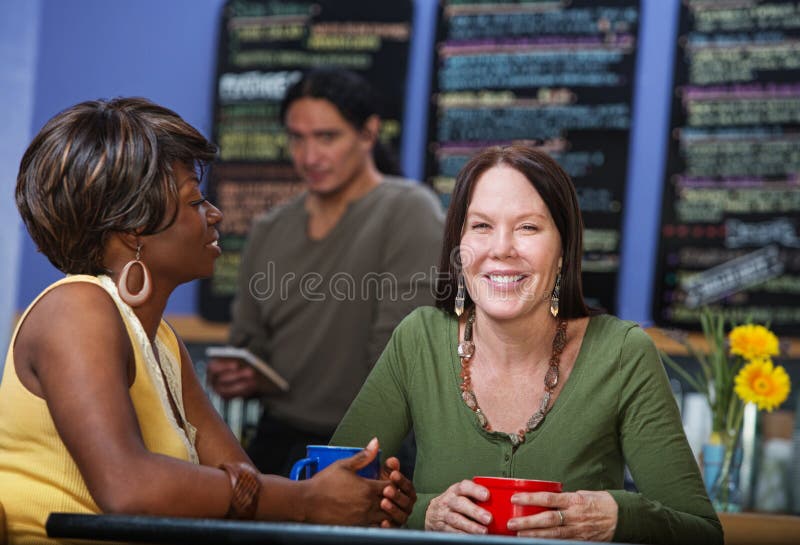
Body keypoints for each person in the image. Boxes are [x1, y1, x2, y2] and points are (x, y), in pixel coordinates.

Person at [0, 98, 415, 544]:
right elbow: (128, 486)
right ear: (132, 227)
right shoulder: (75, 307)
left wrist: (352, 496)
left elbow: (245, 491)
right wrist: (309, 500)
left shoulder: (159, 339)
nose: (214, 214)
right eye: (195, 201)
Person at [331, 145, 723, 544]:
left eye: (528, 228)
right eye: (481, 226)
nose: (501, 248)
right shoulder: (419, 338)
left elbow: (702, 532)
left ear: (563, 251)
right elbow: (330, 496)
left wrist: (619, 516)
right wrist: (425, 514)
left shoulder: (623, 352)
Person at [206, 69, 444, 476]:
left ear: (368, 133)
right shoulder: (269, 230)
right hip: (275, 441)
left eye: (327, 137)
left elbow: (397, 362)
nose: (309, 156)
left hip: (369, 444)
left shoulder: (408, 211)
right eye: (297, 138)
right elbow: (249, 342)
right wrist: (238, 374)